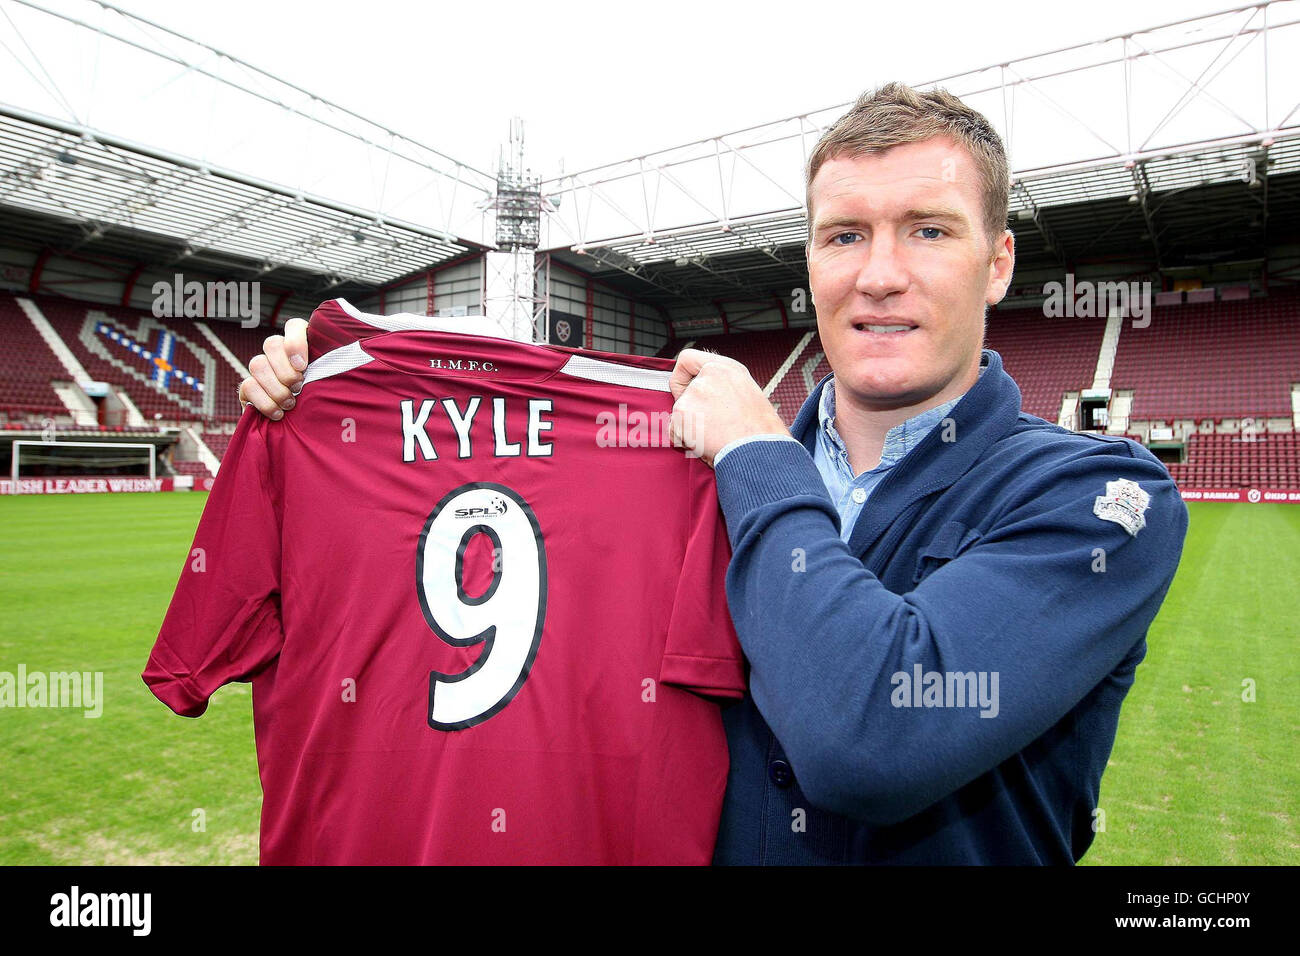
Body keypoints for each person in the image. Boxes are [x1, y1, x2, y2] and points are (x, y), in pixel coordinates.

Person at [238, 82, 1188, 865]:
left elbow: (876, 735)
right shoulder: (678, 470)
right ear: (811, 261)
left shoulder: (1101, 499)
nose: (880, 273)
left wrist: (757, 458)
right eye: (844, 234)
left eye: (930, 230)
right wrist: (321, 393)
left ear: (999, 263)